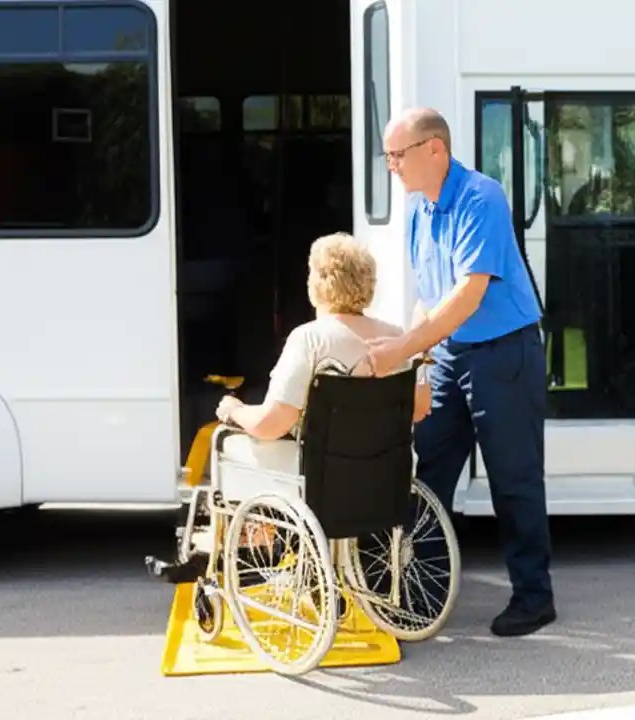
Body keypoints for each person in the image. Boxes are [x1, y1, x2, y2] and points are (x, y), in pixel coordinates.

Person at [365, 107, 556, 637]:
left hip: (504, 353)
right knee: (429, 470)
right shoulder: (419, 209)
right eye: (388, 157)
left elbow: (468, 295)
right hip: (453, 354)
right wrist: (413, 357)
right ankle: (422, 594)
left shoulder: (481, 197)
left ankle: (534, 598)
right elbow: (431, 296)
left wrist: (403, 347)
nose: (392, 167)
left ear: (435, 150)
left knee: (513, 479)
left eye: (397, 155)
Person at [215, 231, 431, 473]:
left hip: (322, 476)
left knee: (224, 444)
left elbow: (272, 424)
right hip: (382, 474)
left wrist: (236, 410)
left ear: (317, 284)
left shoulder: (309, 339)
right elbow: (420, 408)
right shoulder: (395, 338)